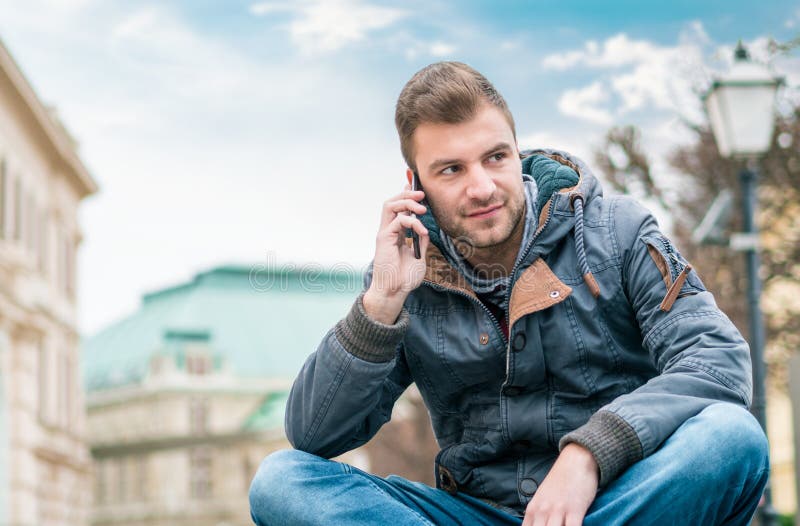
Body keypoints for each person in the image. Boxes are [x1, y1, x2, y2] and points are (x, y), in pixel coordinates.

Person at [249, 61, 769, 525]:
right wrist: (381, 305)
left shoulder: (620, 232)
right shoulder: (403, 272)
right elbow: (314, 436)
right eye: (451, 169)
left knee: (730, 437)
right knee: (282, 480)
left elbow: (717, 361)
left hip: (617, 500)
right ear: (416, 184)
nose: (481, 187)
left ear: (516, 154)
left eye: (495, 157)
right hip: (477, 511)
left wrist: (591, 452)